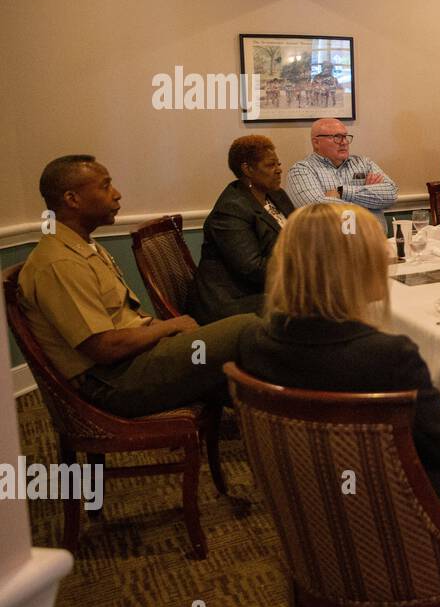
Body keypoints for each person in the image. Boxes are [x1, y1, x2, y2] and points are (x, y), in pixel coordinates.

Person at [236, 203, 440, 538]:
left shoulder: (253, 341)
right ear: (351, 268)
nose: (385, 258)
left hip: (311, 501)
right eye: (376, 252)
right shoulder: (389, 356)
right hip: (406, 519)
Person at [17, 156, 255, 417]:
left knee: (231, 348)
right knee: (245, 328)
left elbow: (125, 320)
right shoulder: (59, 262)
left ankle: (273, 421)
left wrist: (167, 332)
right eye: (105, 186)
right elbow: (105, 348)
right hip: (114, 383)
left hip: (135, 362)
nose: (117, 195)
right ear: (72, 199)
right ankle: (288, 415)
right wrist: (171, 326)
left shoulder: (83, 247)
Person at [189, 136, 295, 324]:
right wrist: (302, 271)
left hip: (266, 290)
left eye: (278, 164)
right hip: (234, 300)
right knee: (312, 302)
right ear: (247, 169)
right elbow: (253, 269)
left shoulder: (276, 195)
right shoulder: (231, 209)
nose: (279, 170)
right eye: (270, 165)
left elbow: (299, 233)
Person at [284, 118, 396, 227]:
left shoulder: (364, 163)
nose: (344, 142)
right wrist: (368, 200)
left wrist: (341, 191)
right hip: (330, 245)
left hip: (375, 242)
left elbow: (391, 194)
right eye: (337, 137)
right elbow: (316, 210)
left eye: (345, 136)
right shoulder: (301, 171)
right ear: (316, 142)